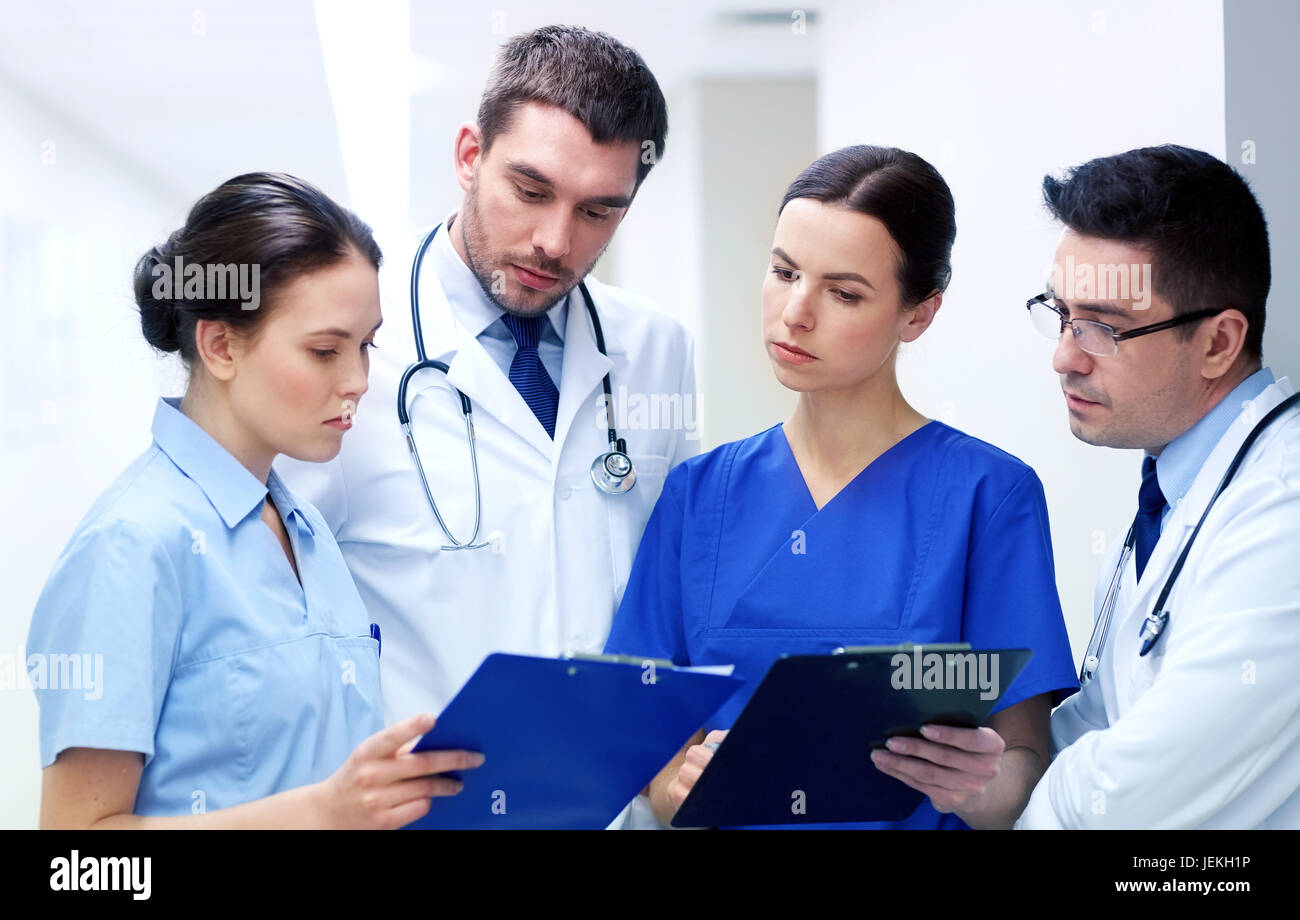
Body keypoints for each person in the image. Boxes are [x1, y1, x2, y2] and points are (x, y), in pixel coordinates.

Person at [604, 145, 1079, 829]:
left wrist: (974, 787)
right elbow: (645, 738)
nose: (796, 312)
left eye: (844, 292)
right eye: (783, 272)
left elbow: (1023, 758)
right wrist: (677, 788)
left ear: (918, 314)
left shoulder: (988, 495)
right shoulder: (698, 496)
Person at [27, 172, 482, 829]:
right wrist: (324, 813)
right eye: (325, 350)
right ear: (219, 345)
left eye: (366, 346)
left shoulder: (308, 532)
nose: (357, 382)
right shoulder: (130, 546)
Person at [275, 26, 696, 734]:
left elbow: (669, 589)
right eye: (531, 190)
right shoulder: (345, 342)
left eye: (598, 211)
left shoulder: (656, 349)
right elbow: (273, 613)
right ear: (470, 156)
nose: (555, 242)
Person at [1015, 145, 1300, 829]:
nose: (1064, 356)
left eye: (1103, 327)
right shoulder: (1173, 491)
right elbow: (1099, 723)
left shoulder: (1284, 506)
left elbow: (1138, 790)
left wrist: (1034, 794)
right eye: (1060, 312)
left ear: (1218, 344)